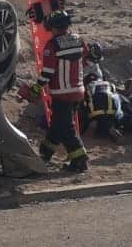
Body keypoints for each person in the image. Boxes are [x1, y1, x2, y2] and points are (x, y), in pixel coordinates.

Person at [21, 10, 89, 172]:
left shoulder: (52, 45)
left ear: (52, 27)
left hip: (62, 94)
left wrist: (36, 89)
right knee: (58, 125)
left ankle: (80, 160)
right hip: (78, 91)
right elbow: (87, 57)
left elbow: (47, 73)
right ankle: (45, 153)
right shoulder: (79, 40)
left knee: (66, 128)